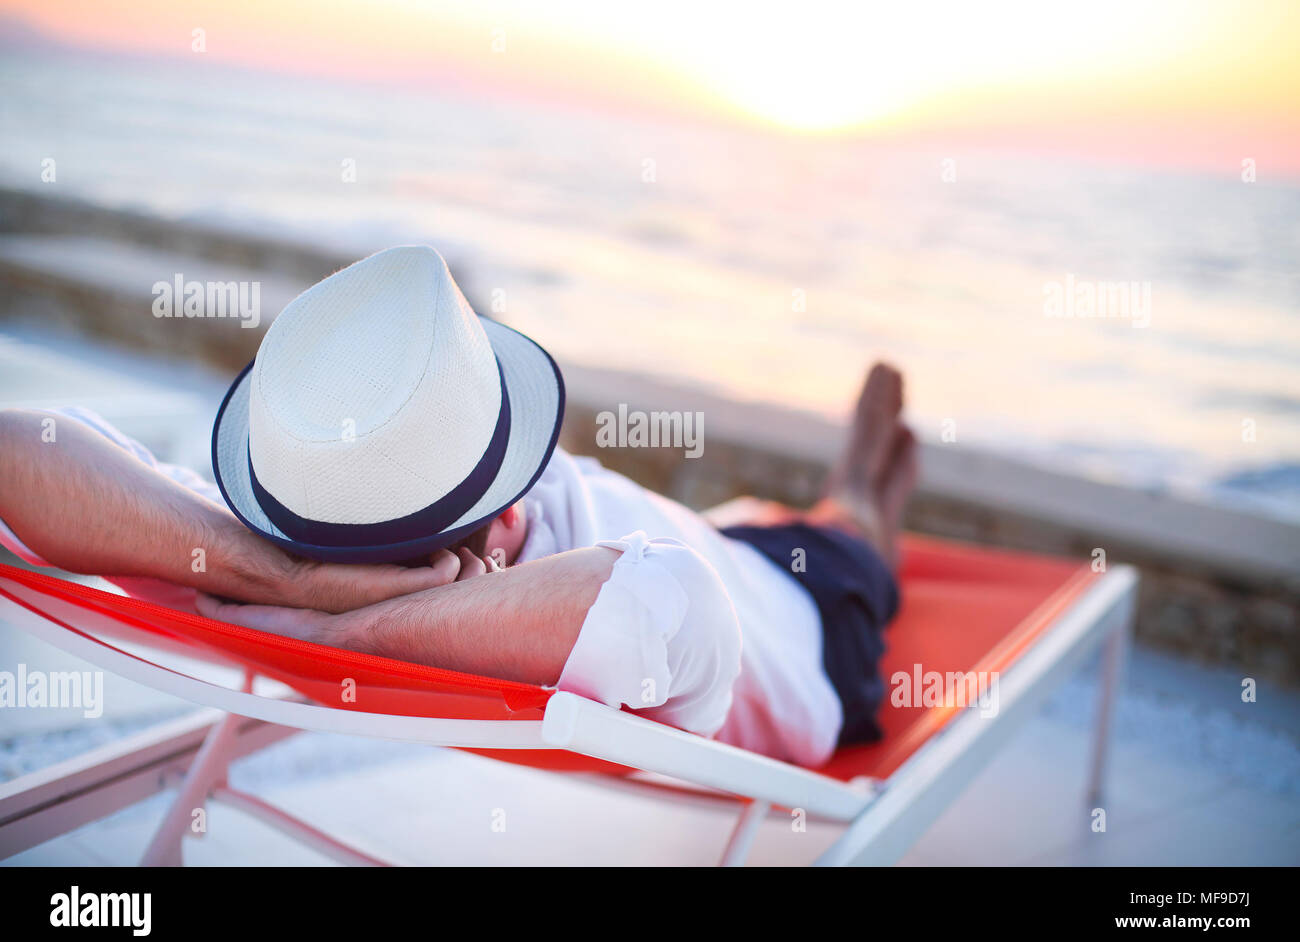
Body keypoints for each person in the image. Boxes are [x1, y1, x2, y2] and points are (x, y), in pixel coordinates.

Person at [0, 246, 916, 768]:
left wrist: (285, 578)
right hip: (805, 617)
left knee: (757, 522)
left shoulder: (241, 562)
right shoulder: (588, 626)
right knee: (851, 541)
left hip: (702, 534)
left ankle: (849, 488)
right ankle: (864, 498)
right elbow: (679, 605)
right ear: (508, 522)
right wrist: (328, 623)